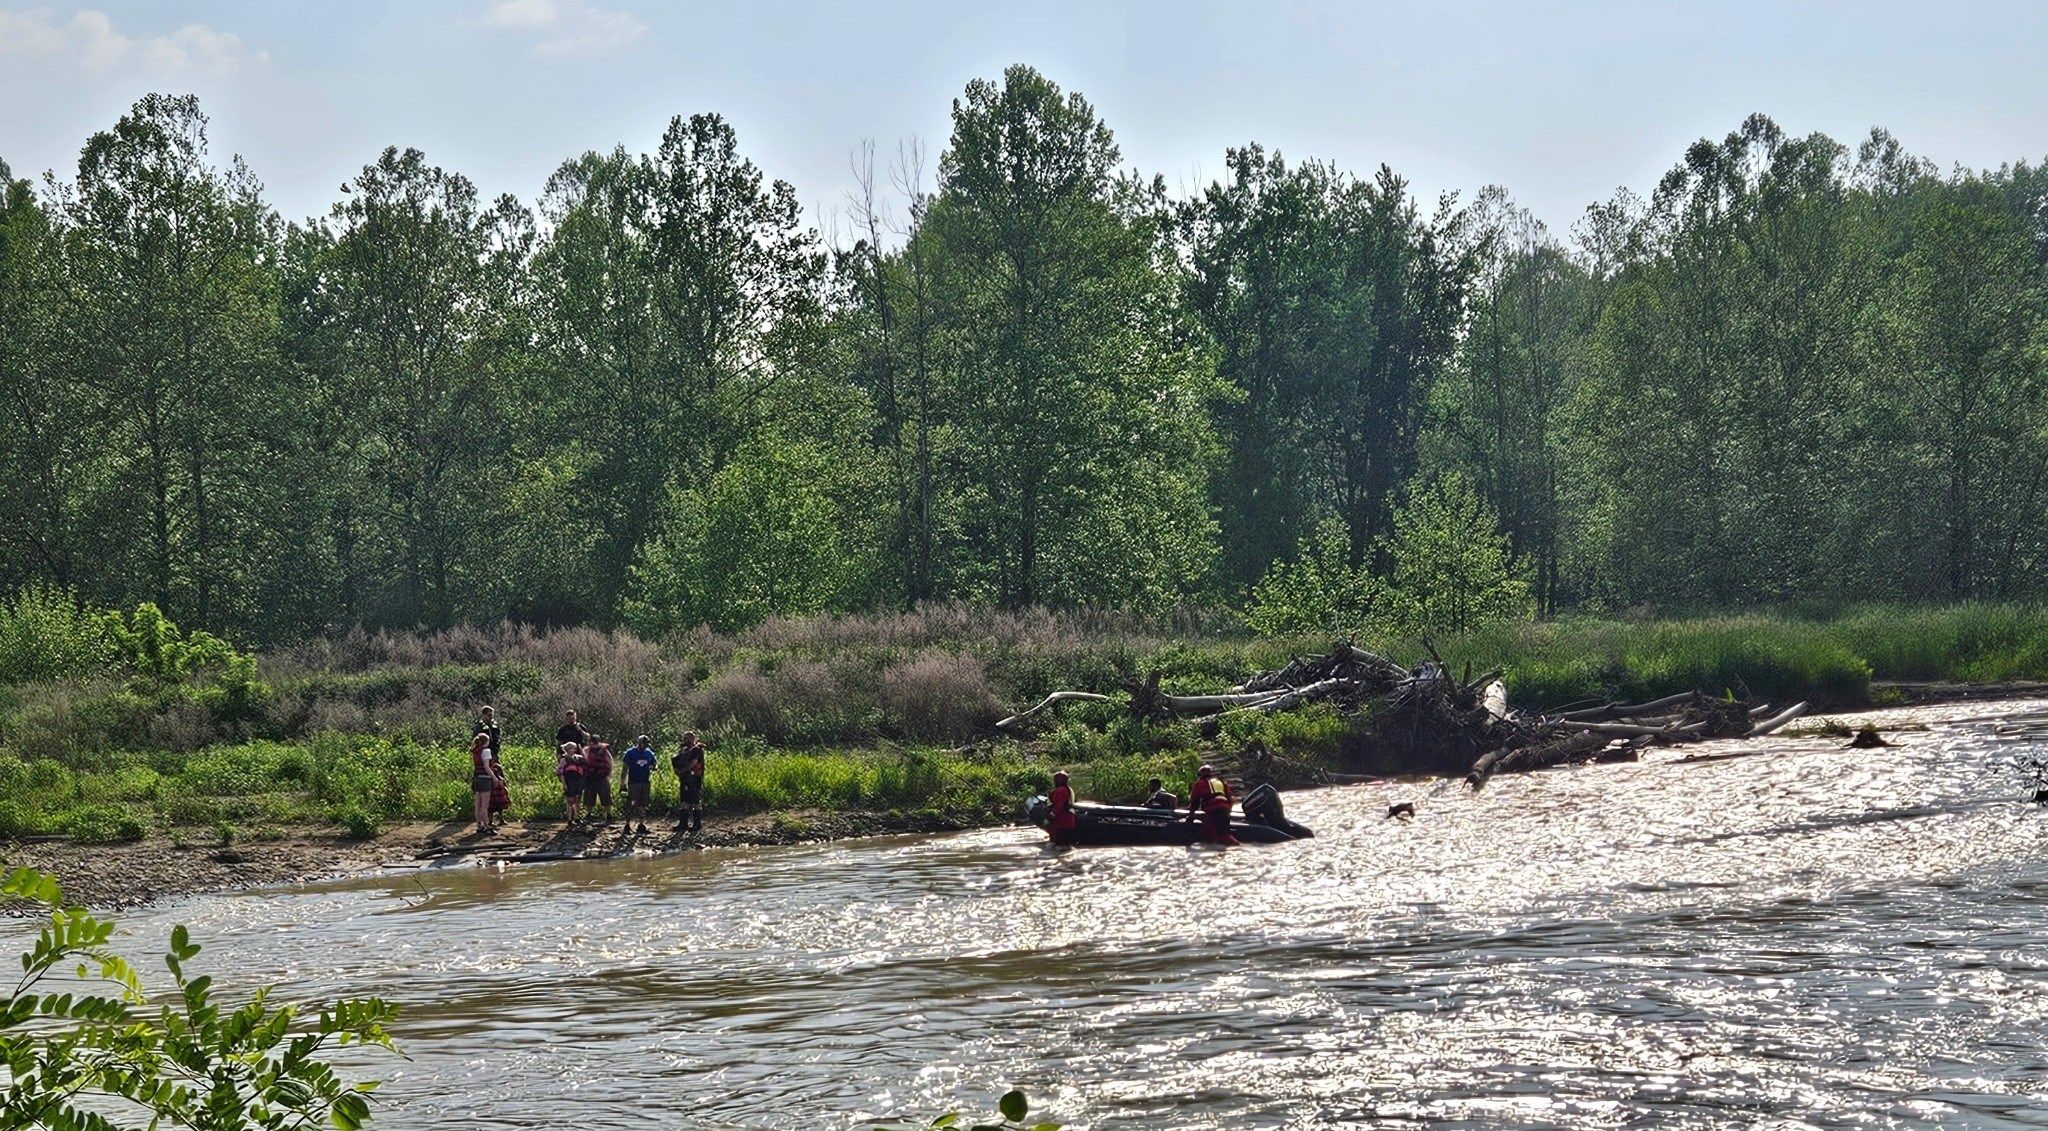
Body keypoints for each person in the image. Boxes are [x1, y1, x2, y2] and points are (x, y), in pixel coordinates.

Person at [1185, 764, 1238, 846]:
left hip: (1212, 810)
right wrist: (1227, 812)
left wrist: (1190, 817)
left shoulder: (1200, 783)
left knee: (1212, 837)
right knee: (1226, 835)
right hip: (1225, 809)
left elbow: (1194, 801)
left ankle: (1213, 844)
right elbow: (1230, 799)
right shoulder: (1221, 783)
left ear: (1201, 775)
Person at [622, 735, 657, 833]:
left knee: (643, 804)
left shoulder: (649, 753)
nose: (645, 746)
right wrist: (622, 782)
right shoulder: (630, 753)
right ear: (639, 743)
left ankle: (641, 824)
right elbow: (625, 768)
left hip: (645, 782)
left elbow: (654, 763)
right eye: (644, 744)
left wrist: (653, 767)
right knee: (631, 804)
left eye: (646, 744)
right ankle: (627, 825)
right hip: (634, 782)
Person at [673, 731, 706, 834]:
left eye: (687, 738)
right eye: (684, 737)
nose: (685, 740)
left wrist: (682, 770)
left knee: (695, 800)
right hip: (684, 778)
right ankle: (683, 824)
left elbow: (694, 762)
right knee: (684, 801)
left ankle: (697, 824)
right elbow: (677, 760)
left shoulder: (697, 749)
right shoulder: (684, 750)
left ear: (692, 738)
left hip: (694, 778)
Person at [469, 732, 502, 836]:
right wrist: (495, 778)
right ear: (486, 742)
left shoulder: (475, 751)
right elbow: (487, 767)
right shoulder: (486, 750)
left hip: (477, 779)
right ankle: (487, 826)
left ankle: (479, 826)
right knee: (485, 805)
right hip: (485, 779)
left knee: (477, 804)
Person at [582, 736, 616, 823]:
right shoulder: (586, 750)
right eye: (592, 742)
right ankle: (589, 814)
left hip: (602, 777)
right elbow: (583, 761)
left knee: (606, 796)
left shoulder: (604, 750)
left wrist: (609, 773)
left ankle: (609, 815)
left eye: (595, 742)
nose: (593, 744)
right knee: (589, 797)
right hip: (590, 777)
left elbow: (610, 761)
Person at [557, 740, 587, 824]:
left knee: (578, 800)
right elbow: (560, 772)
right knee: (570, 800)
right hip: (570, 781)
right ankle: (569, 819)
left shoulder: (578, 757)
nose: (575, 749)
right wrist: (564, 784)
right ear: (568, 749)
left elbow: (585, 760)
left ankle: (577, 817)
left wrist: (582, 750)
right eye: (573, 748)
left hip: (578, 781)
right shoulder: (564, 759)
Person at [1046, 769, 1079, 845]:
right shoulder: (1068, 789)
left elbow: (1059, 805)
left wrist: (1052, 814)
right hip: (1067, 821)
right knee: (1064, 846)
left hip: (1062, 822)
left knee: (1060, 846)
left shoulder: (1061, 791)